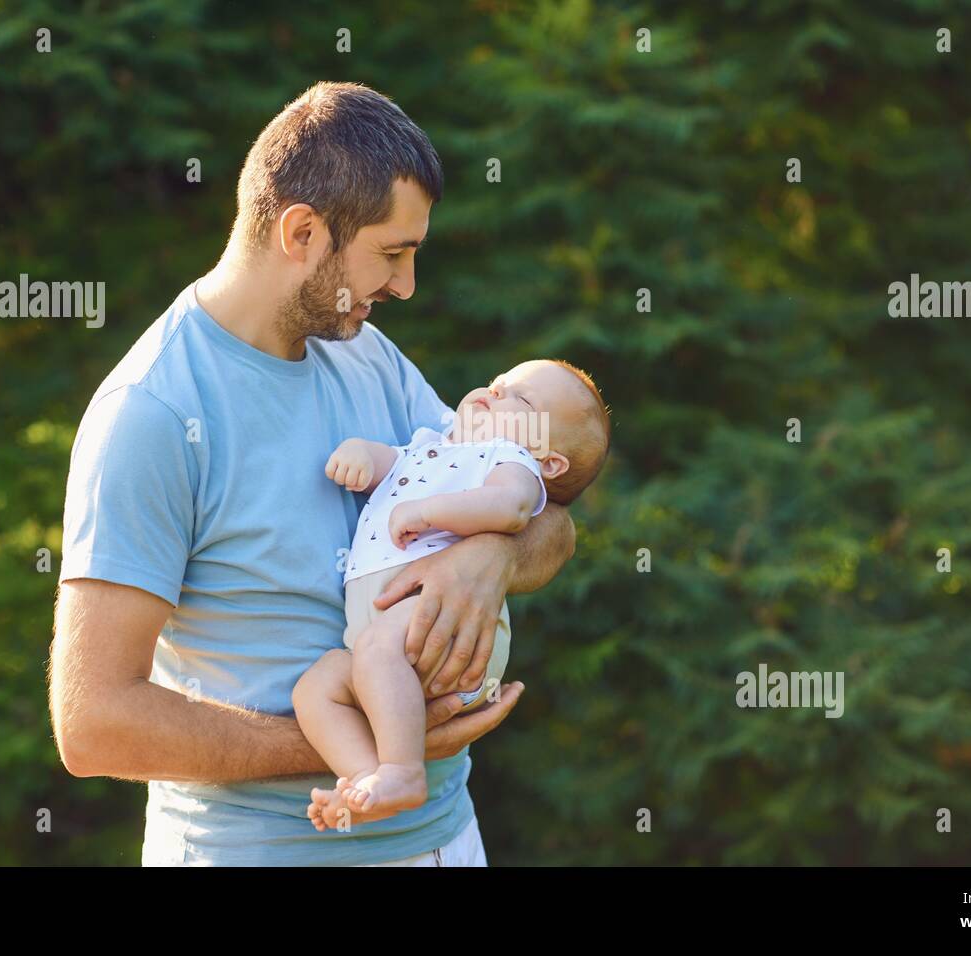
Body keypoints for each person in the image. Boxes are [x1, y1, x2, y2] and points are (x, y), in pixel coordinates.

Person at [47, 81, 576, 866]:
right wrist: (354, 747)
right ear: (302, 232)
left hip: (446, 840)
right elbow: (94, 724)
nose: (405, 286)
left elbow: (551, 518)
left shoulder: (367, 355)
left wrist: (490, 556)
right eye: (391, 255)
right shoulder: (151, 414)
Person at [296, 359, 611, 828]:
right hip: (386, 636)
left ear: (549, 460)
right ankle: (368, 781)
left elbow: (511, 509)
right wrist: (363, 454)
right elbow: (390, 461)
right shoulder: (433, 446)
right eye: (498, 382)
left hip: (447, 626)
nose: (496, 391)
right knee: (316, 687)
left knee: (377, 650)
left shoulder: (510, 461)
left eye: (521, 399)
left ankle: (403, 771)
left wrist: (430, 511)